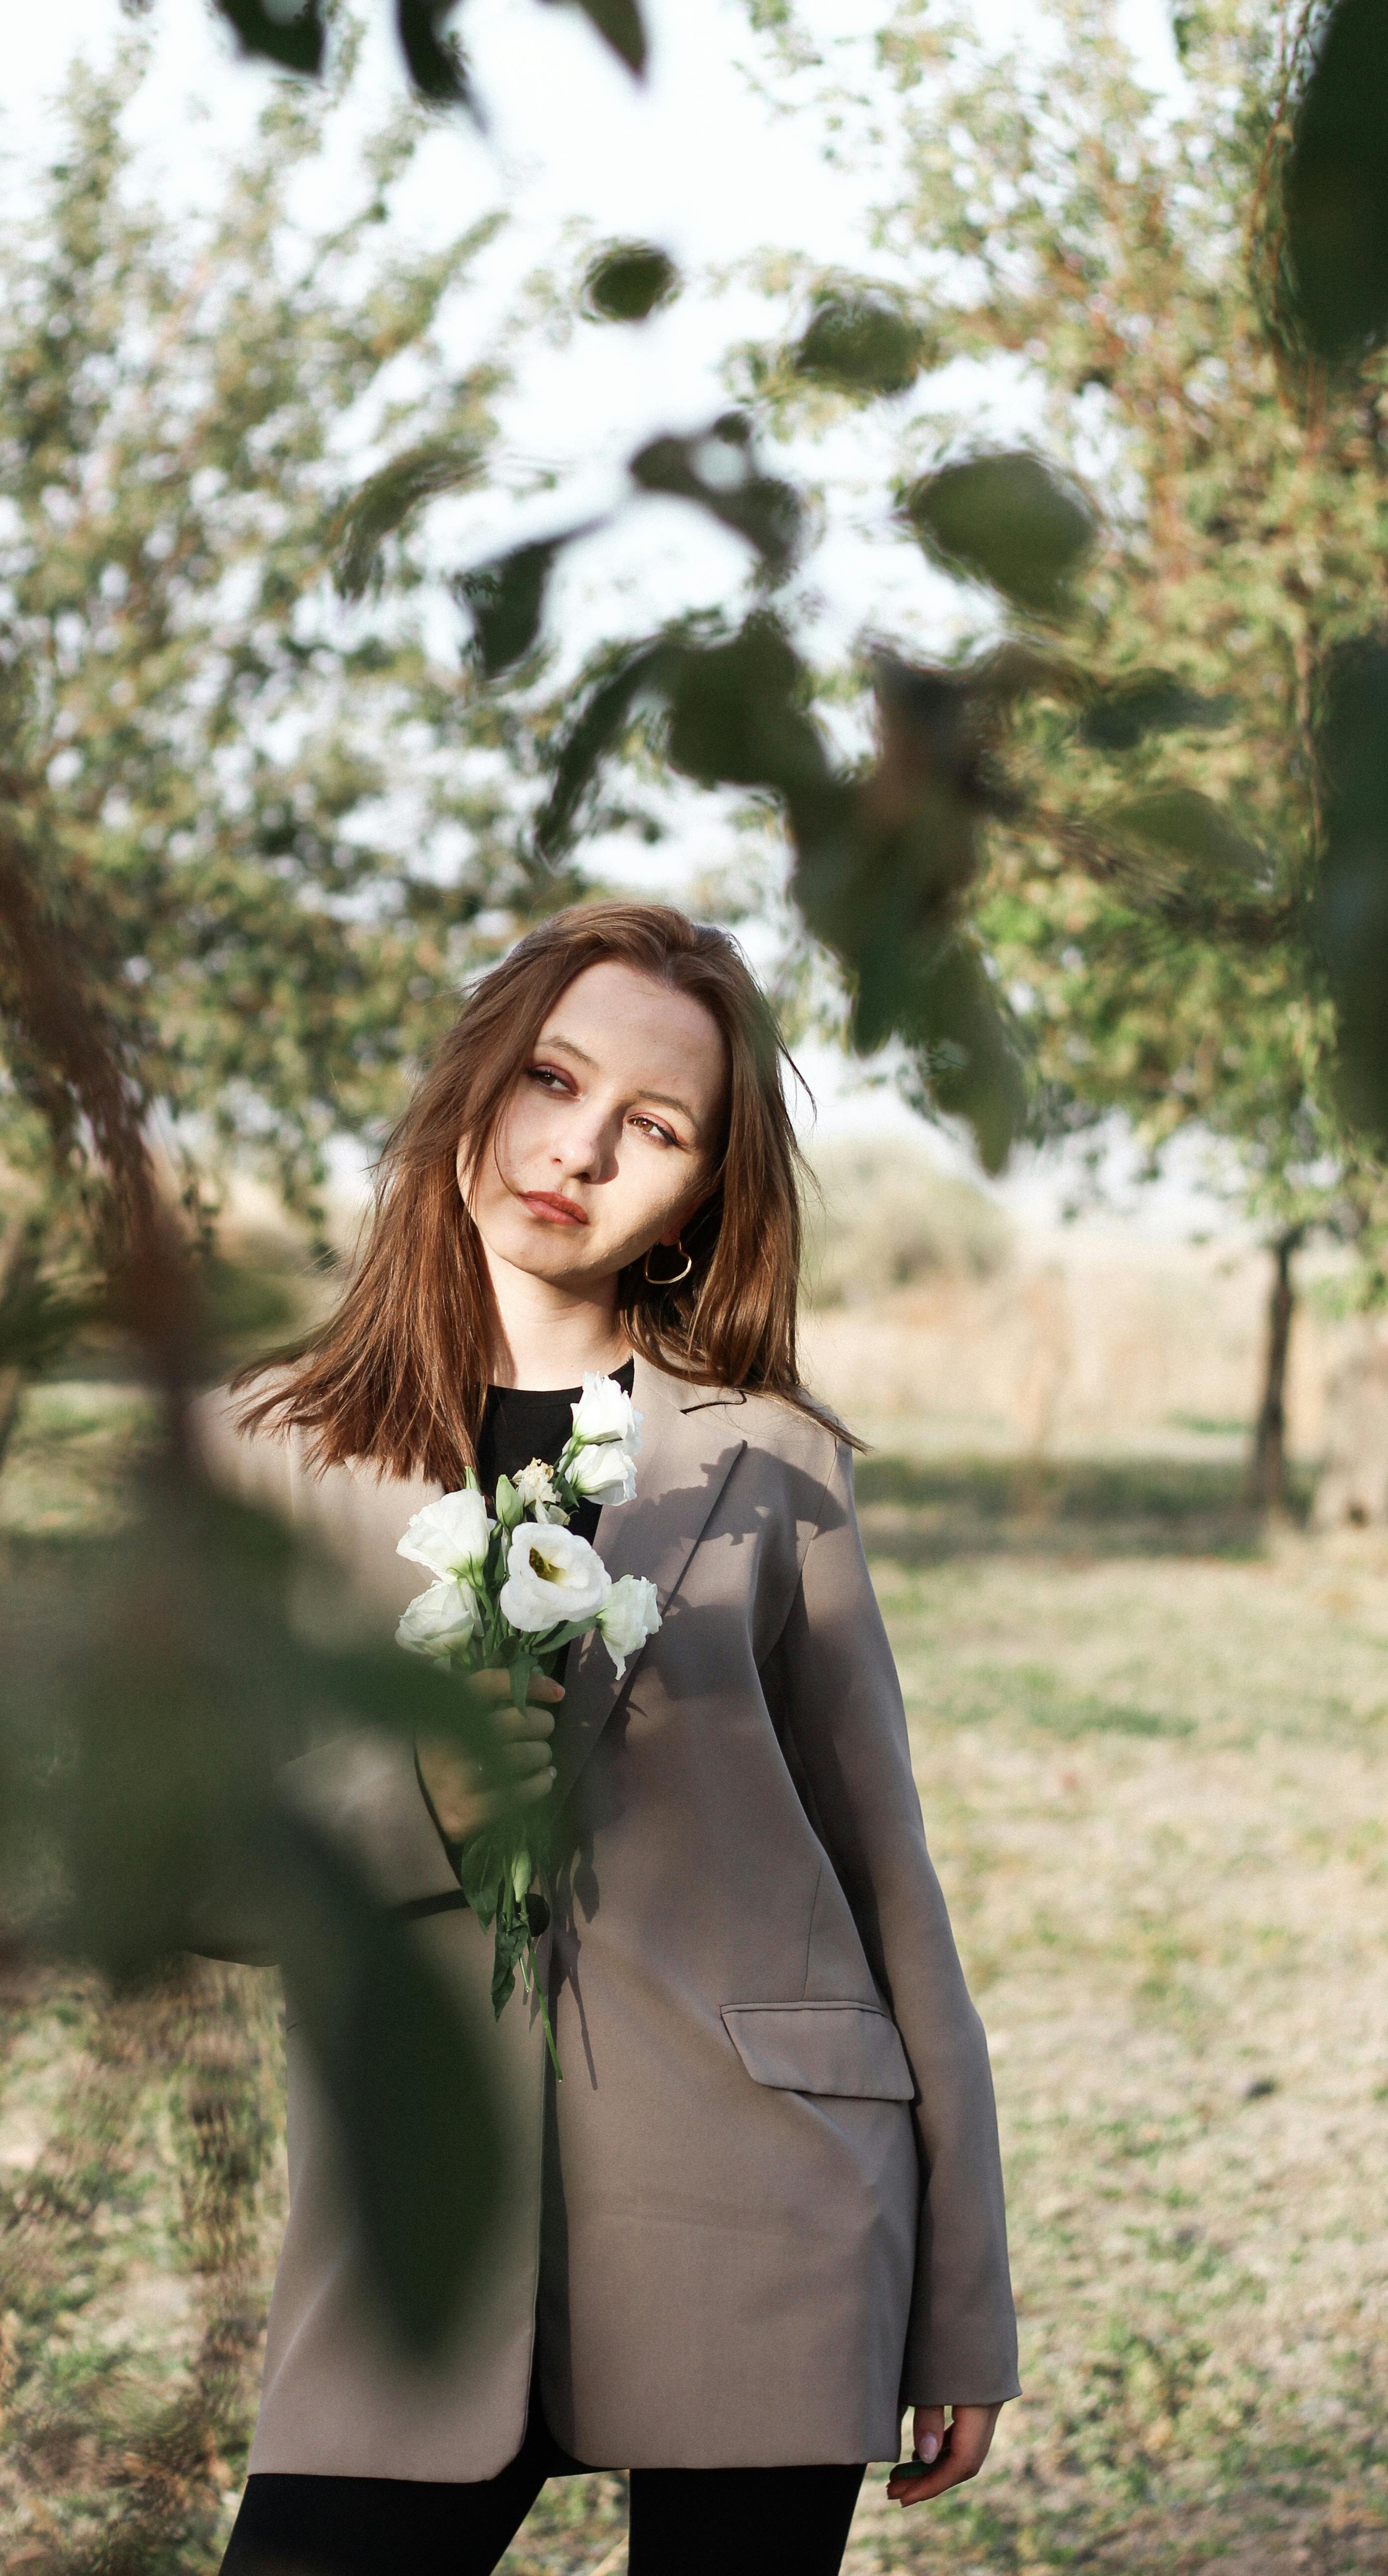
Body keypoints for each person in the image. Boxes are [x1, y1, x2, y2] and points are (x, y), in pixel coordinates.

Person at [197, 902, 1018, 2576]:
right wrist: (401, 1782)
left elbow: (890, 1881)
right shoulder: (265, 1450)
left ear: (702, 1197)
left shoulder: (779, 1463)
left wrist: (964, 2306)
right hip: (411, 2237)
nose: (580, 1148)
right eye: (551, 1079)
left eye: (655, 1128)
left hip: (771, 2211)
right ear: (474, 1092)